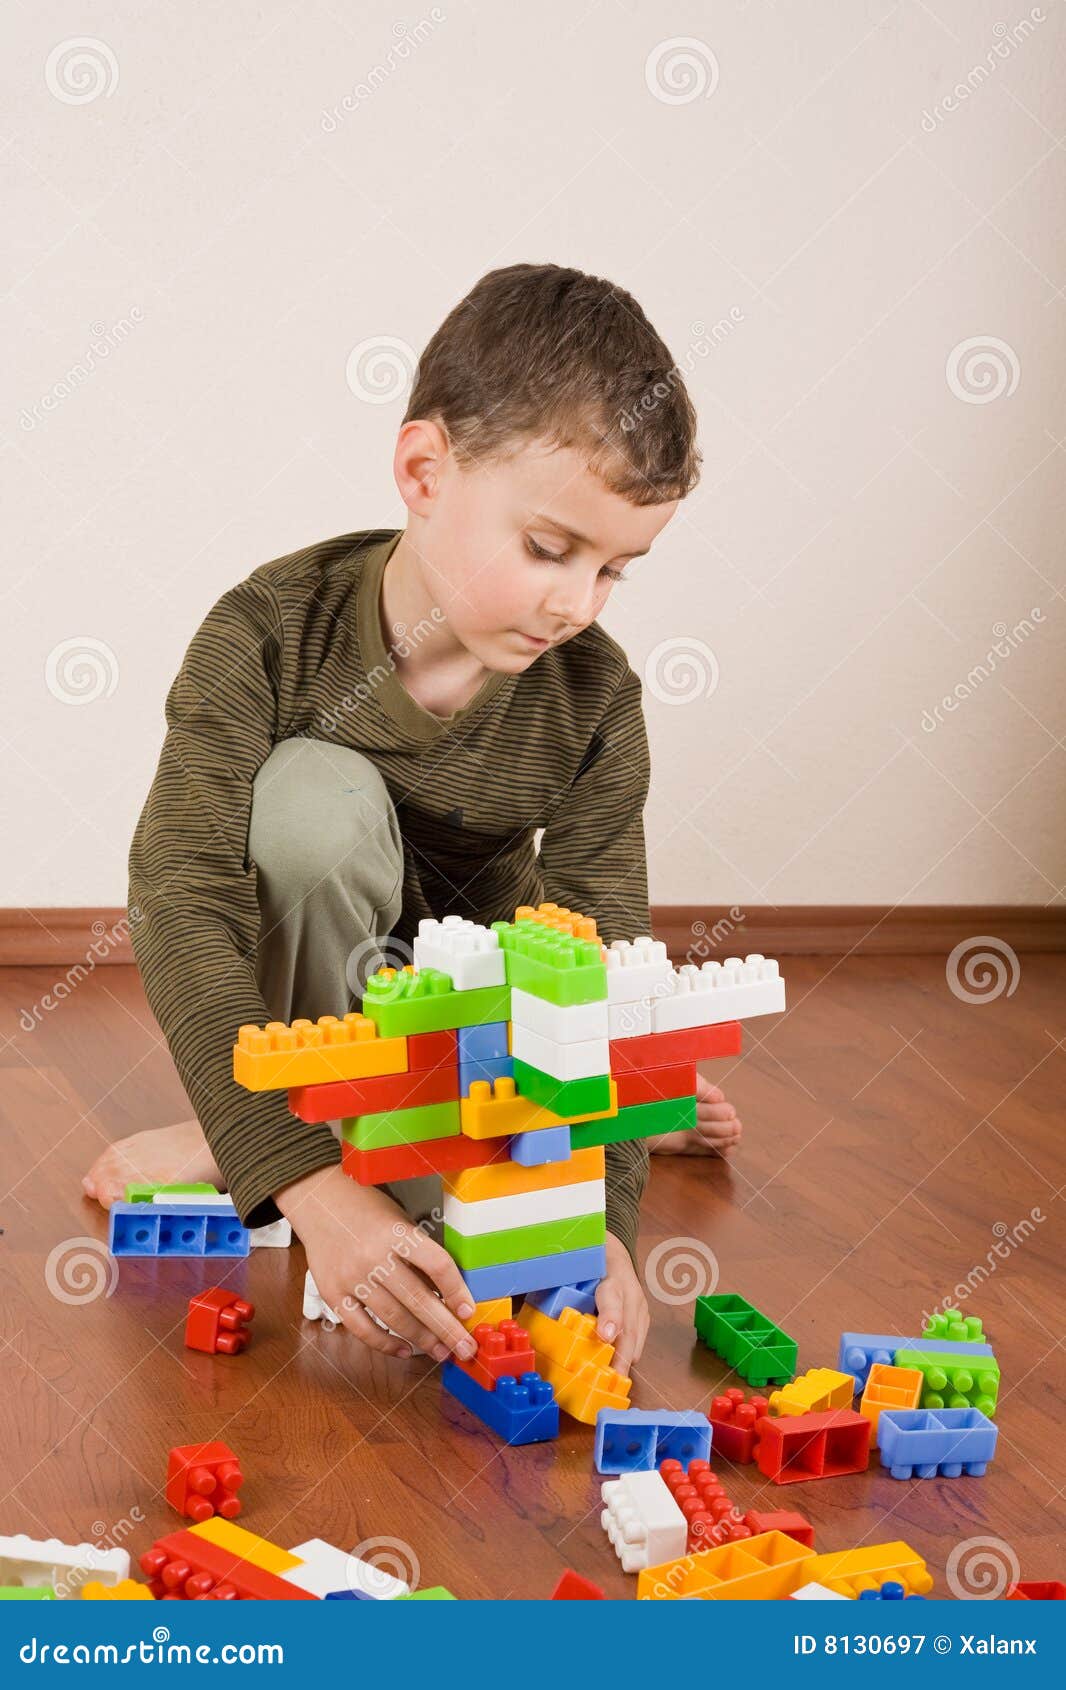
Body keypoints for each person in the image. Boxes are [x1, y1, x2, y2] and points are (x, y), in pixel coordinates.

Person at [82, 263, 742, 1381]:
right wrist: (316, 1191)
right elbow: (179, 897)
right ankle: (287, 1142)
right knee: (310, 803)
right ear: (424, 469)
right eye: (547, 549)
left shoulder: (594, 695)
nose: (575, 603)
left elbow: (608, 960)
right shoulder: (266, 635)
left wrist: (604, 1225)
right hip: (317, 1031)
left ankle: (255, 1139)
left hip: (464, 1029)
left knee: (523, 1189)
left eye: (614, 570)